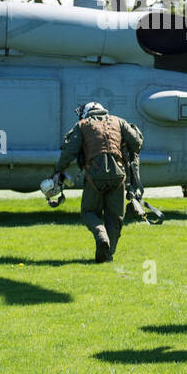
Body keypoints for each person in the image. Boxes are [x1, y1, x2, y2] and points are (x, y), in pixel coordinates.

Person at [53, 101, 143, 262]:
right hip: (119, 175)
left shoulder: (82, 125)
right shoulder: (119, 121)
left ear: (87, 112)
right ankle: (106, 256)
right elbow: (137, 143)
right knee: (115, 218)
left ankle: (101, 235)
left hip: (94, 175)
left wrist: (58, 170)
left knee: (88, 212)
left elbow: (69, 151)